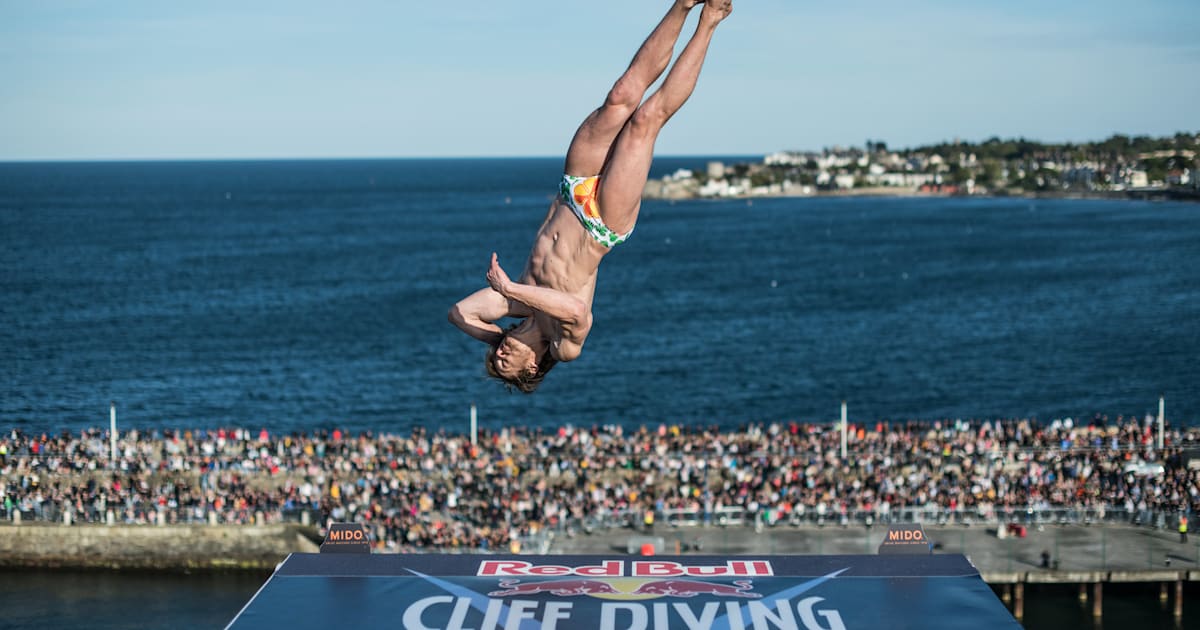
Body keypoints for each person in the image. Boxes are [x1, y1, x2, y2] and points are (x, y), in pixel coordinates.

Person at [449, 0, 733, 392]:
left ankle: (682, 6)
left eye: (494, 360)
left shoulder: (513, 308)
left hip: (571, 190)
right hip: (601, 222)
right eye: (505, 367)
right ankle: (710, 20)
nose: (498, 360)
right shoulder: (562, 346)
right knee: (646, 120)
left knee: (621, 95)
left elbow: (459, 313)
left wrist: (496, 337)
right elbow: (578, 310)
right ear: (532, 369)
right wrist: (511, 289)